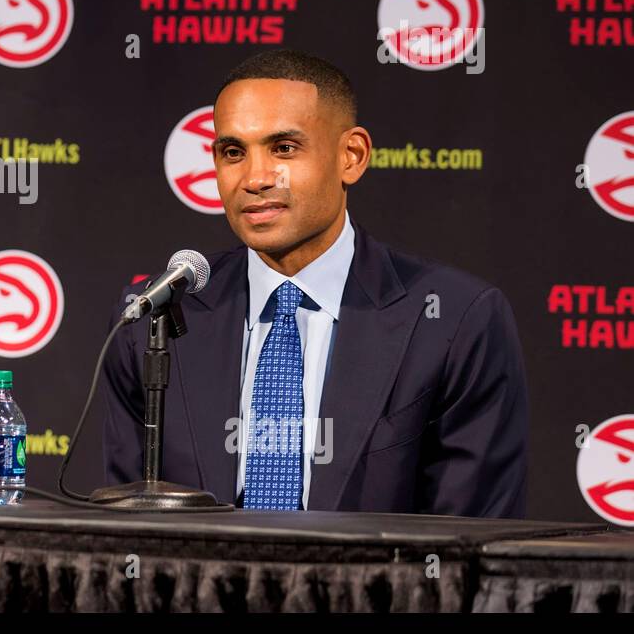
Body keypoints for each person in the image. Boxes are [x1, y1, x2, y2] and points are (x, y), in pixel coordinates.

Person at [103, 49, 528, 516]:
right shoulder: (155, 315)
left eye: (284, 148)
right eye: (233, 152)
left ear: (352, 156)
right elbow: (130, 532)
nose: (256, 178)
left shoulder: (456, 320)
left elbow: (470, 542)